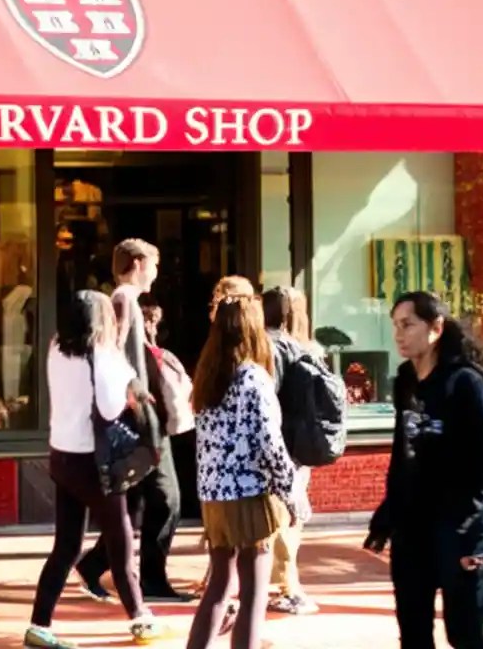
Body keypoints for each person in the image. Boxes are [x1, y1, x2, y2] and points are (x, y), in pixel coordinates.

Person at [25, 291, 166, 648]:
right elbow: (108, 407)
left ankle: (39, 624)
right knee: (120, 540)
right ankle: (139, 616)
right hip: (95, 460)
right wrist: (129, 394)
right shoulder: (102, 356)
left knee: (66, 545)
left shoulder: (56, 348)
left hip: (62, 455)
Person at [364, 291, 483, 649]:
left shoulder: (465, 383)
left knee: (465, 635)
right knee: (413, 632)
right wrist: (388, 513)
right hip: (415, 525)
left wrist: (459, 526)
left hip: (466, 525)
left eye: (408, 324)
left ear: (436, 327)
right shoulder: (405, 382)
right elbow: (403, 456)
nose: (398, 334)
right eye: (395, 325)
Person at [77, 239, 188, 602]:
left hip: (137, 414)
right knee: (166, 497)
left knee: (140, 499)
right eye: (154, 265)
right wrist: (141, 409)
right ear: (139, 263)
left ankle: (95, 566)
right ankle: (151, 580)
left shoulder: (121, 300)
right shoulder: (126, 300)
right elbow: (124, 359)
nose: (156, 274)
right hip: (142, 416)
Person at [186, 292, 298, 649]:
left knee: (219, 588)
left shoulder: (206, 378)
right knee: (253, 595)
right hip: (249, 494)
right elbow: (270, 443)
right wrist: (292, 492)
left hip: (213, 495)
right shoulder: (253, 378)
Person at [261, 287, 318, 615]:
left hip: (278, 439)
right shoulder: (301, 347)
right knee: (288, 516)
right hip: (294, 442)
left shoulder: (266, 346)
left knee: (281, 514)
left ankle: (284, 584)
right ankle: (287, 586)